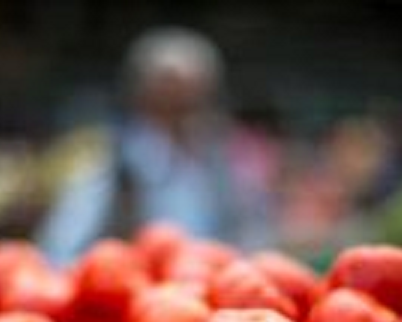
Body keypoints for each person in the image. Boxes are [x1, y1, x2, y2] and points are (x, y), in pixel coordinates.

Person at [33, 27, 276, 264]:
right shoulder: (110, 160)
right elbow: (62, 248)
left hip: (213, 288)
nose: (184, 108)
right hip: (138, 292)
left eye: (192, 98)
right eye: (172, 97)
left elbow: (252, 233)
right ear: (141, 94)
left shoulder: (221, 158)